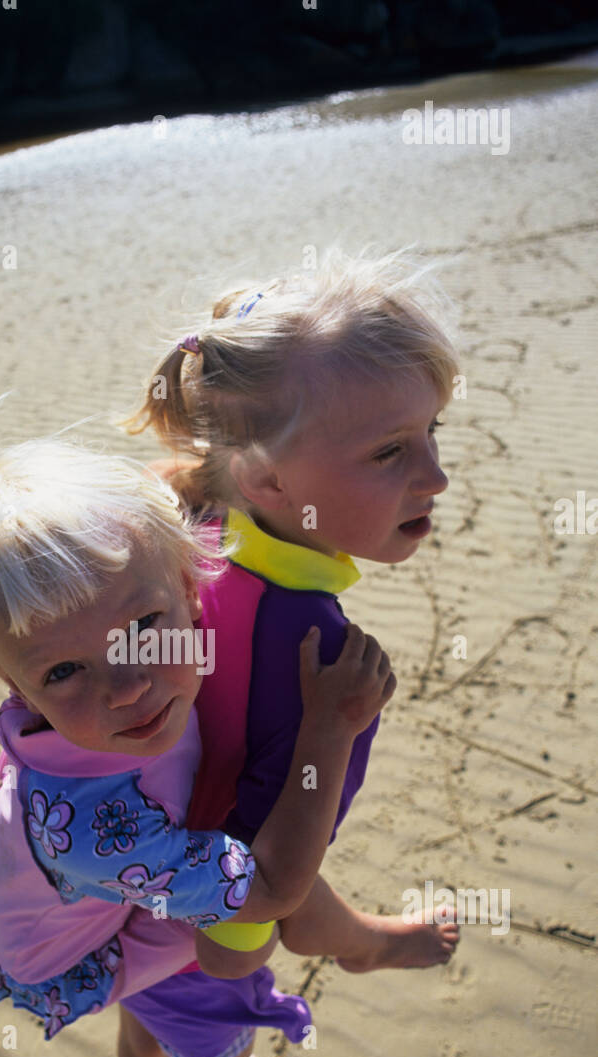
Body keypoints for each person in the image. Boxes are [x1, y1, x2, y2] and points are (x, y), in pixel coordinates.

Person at [0, 412, 395, 1057]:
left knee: (147, 1040)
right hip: (86, 951)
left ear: (192, 587)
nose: (128, 688)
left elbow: (194, 527)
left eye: (146, 630)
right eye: (64, 672)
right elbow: (270, 890)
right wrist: (330, 727)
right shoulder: (98, 825)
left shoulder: (142, 608)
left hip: (66, 903)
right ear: (14, 683)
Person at [123, 245, 462, 981]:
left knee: (146, 1050)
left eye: (434, 430)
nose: (435, 475)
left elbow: (164, 476)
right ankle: (352, 943)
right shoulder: (314, 651)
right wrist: (333, 726)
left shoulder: (203, 511)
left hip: (153, 856)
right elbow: (236, 925)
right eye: (389, 452)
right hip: (181, 951)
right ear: (269, 480)